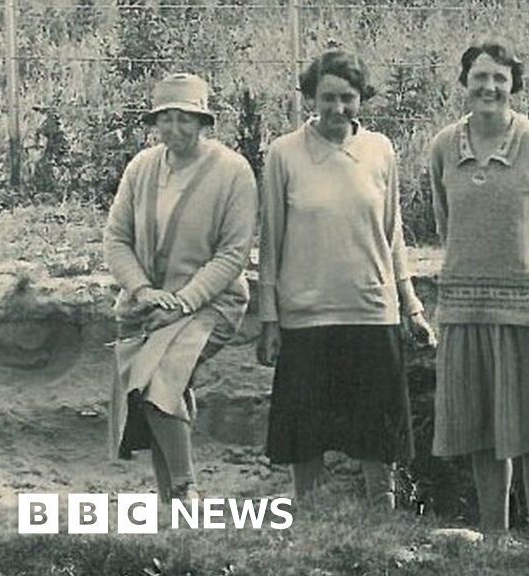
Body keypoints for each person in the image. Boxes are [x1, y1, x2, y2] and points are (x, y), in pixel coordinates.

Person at [257, 49, 435, 508]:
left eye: (348, 98)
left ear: (361, 99)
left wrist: (411, 305)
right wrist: (269, 319)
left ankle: (382, 520)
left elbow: (392, 233)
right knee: (305, 434)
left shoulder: (380, 150)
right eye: (328, 98)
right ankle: (310, 519)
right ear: (311, 98)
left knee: (379, 434)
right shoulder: (283, 154)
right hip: (306, 315)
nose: (338, 108)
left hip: (372, 310)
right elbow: (271, 241)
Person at [428, 41, 529, 540]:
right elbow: (445, 225)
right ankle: (493, 538)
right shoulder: (443, 147)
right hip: (466, 310)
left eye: (500, 78)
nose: (489, 87)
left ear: (514, 84)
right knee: (482, 432)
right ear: (464, 82)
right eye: (480, 77)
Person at [106, 73, 258, 503]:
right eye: (166, 119)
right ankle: (169, 500)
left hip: (211, 303)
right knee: (153, 388)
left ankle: (185, 487)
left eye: (185, 119)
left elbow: (233, 253)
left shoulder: (232, 172)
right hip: (148, 304)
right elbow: (116, 238)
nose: (174, 129)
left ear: (204, 122)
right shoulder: (142, 168)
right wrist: (141, 291)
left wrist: (184, 302)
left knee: (160, 378)